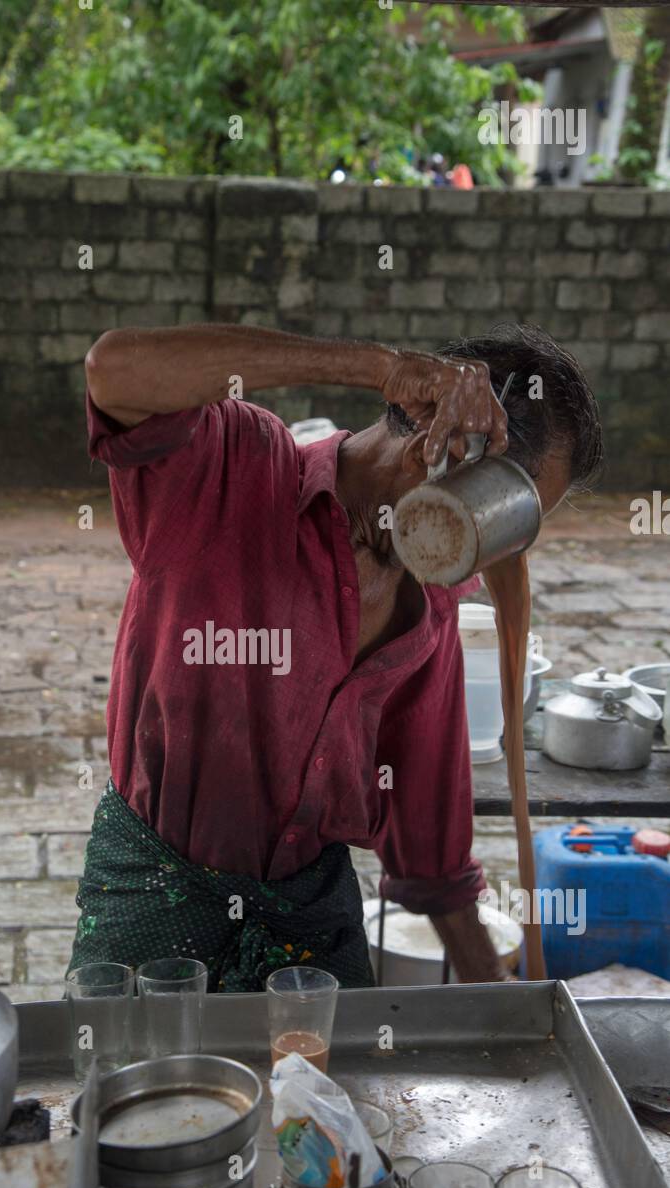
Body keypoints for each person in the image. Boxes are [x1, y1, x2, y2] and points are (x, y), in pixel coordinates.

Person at [67, 323, 603, 991]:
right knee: (136, 1085)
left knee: (330, 1095)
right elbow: (116, 369)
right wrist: (383, 366)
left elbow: (425, 821)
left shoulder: (427, 601)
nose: (500, 552)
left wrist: (493, 1002)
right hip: (154, 893)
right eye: (505, 511)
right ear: (441, 448)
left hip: (309, 911)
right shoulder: (234, 472)